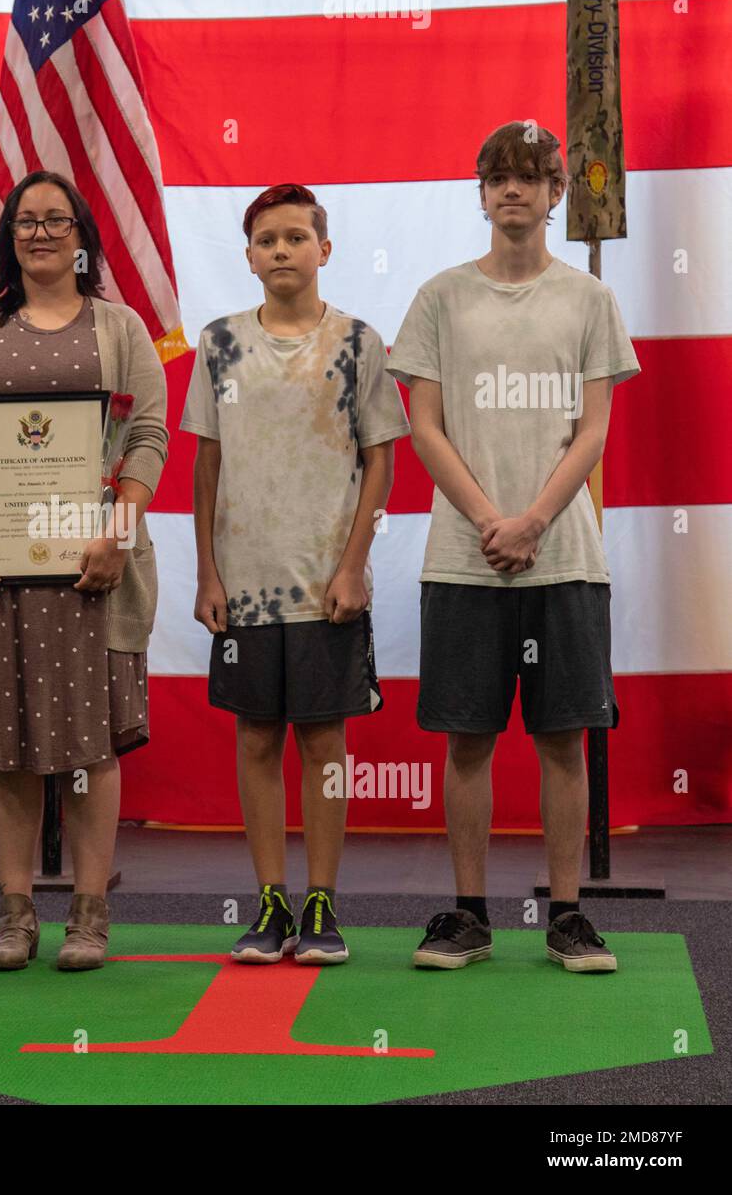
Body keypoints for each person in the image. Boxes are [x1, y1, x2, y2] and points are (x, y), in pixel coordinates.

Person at [388, 121, 640, 973]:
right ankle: (468, 914)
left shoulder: (589, 301)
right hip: (465, 559)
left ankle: (567, 915)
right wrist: (491, 518)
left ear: (556, 191)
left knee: (564, 737)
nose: (513, 190)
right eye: (497, 175)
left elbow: (592, 431)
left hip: (563, 555)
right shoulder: (438, 298)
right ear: (480, 189)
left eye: (530, 177)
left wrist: (532, 519)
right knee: (467, 738)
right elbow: (423, 426)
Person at [0, 170, 168, 971]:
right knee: (8, 746)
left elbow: (148, 438)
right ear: (8, 238)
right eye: (25, 221)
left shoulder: (122, 328)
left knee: (93, 748)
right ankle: (17, 916)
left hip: (90, 570)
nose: (39, 233)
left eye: (56, 220)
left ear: (82, 235)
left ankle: (90, 918)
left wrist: (116, 534)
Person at [182, 184, 409, 965]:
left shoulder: (358, 343)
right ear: (248, 256)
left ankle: (322, 903)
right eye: (266, 239)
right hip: (244, 584)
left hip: (324, 582)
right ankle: (269, 901)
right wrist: (207, 572)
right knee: (255, 739)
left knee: (323, 742)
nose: (281, 250)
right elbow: (205, 465)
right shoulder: (217, 345)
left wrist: (356, 563)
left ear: (325, 249)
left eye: (295, 237)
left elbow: (380, 458)